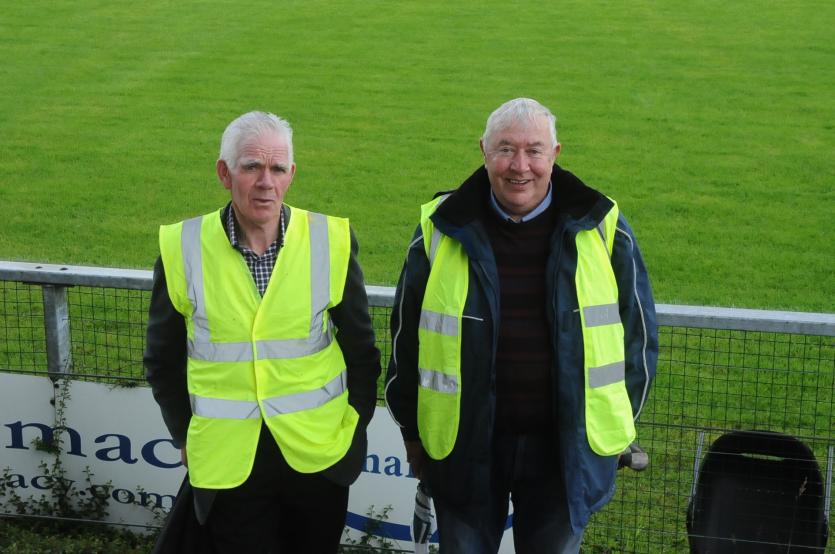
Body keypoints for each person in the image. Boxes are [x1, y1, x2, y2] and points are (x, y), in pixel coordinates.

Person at [385, 98, 657, 553]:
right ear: (483, 151)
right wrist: (412, 433)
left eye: (535, 150)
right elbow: (404, 337)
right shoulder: (439, 227)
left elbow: (640, 337)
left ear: (555, 154)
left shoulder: (602, 226)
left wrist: (612, 429)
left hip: (564, 451)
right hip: (465, 446)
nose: (520, 166)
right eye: (505, 149)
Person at [144, 111, 381, 553]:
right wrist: (184, 436)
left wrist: (353, 431)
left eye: (276, 169)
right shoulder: (182, 246)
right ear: (224, 173)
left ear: (292, 175)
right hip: (230, 462)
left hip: (319, 457)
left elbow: (363, 351)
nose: (265, 182)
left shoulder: (330, 239)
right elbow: (162, 359)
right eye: (251, 166)